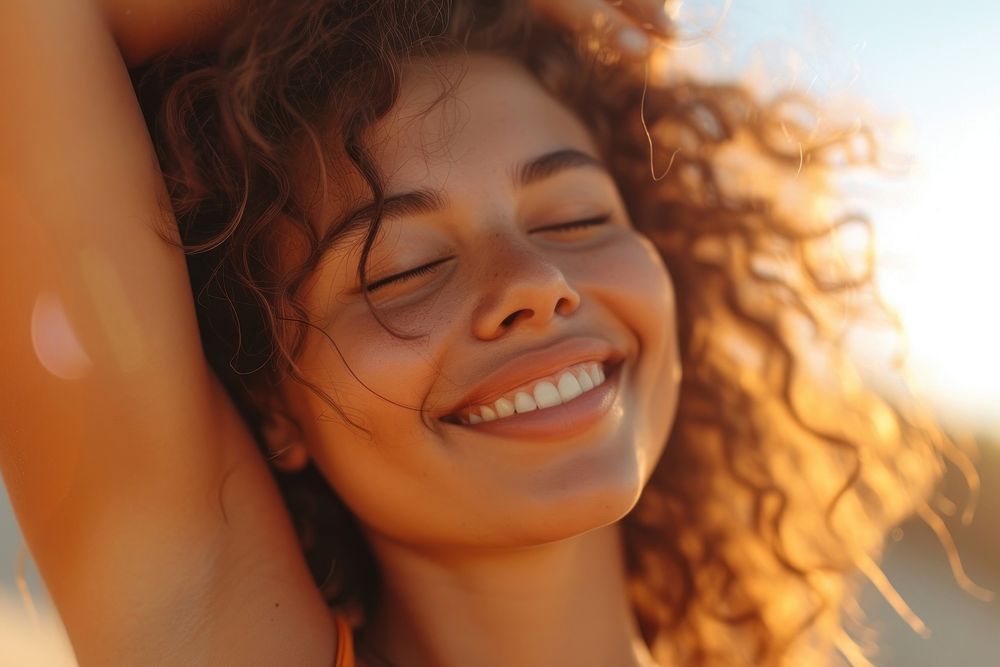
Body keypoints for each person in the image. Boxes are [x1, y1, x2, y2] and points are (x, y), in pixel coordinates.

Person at [0, 1, 951, 665]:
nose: (535, 284)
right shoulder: (213, 635)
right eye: (402, 268)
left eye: (575, 218)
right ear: (274, 405)